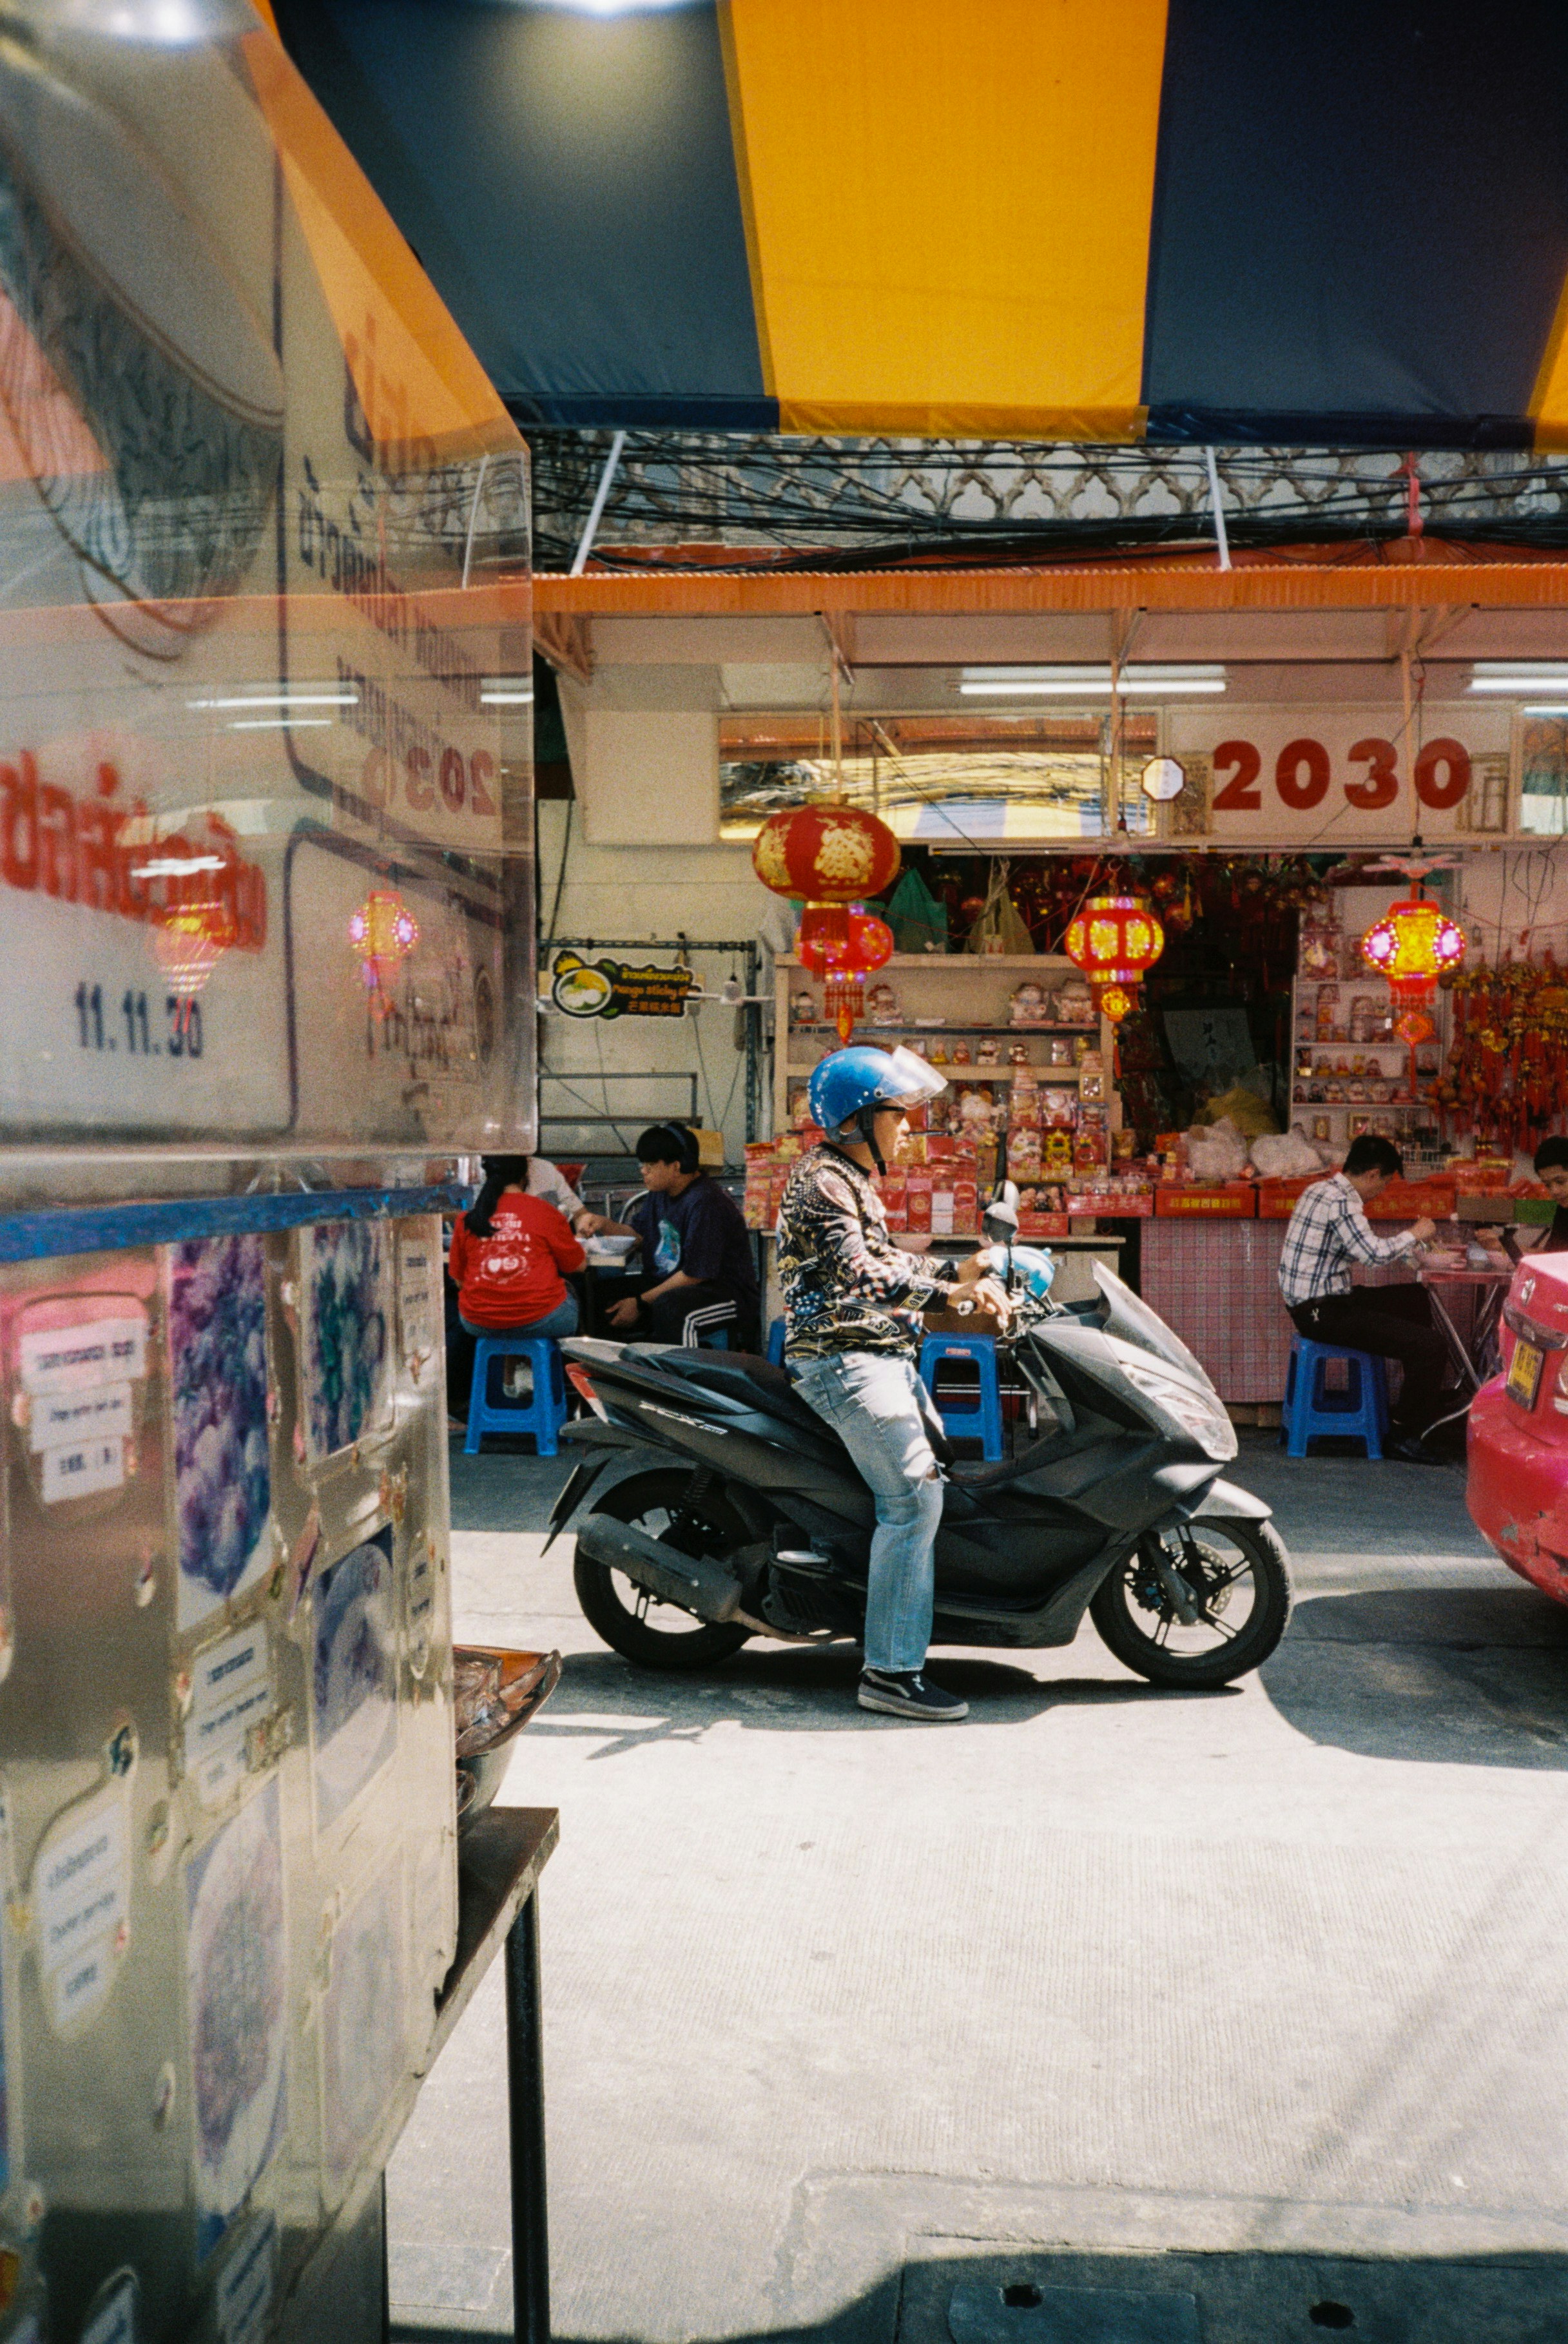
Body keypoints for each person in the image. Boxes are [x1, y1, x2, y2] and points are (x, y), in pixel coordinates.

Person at [778, 1046, 1012, 1723]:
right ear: (857, 1119)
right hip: (844, 1360)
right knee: (912, 1501)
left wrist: (963, 1273)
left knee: (939, 1478)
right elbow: (861, 1276)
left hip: (880, 1353)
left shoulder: (848, 1178)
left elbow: (884, 1258)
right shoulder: (823, 1181)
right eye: (897, 1114)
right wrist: (951, 1295)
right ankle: (890, 1670)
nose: (908, 1127)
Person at [1277, 1134, 1447, 1462]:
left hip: (1318, 1302)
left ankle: (1411, 1402)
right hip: (1322, 1313)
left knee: (1415, 1298)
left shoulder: (1320, 1189)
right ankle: (1406, 1434)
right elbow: (1371, 1255)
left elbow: (1356, 1246)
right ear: (1373, 1175)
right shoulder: (1344, 1201)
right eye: (1383, 1184)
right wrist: (1414, 1234)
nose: (1379, 1193)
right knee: (1432, 1347)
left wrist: (1407, 1248)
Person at [602, 1125, 760, 1350]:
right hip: (673, 1283)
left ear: (675, 1166)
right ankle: (620, 1375)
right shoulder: (659, 1194)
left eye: (650, 1165)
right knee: (603, 1294)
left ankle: (679, 1382)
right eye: (642, 1165)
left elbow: (695, 1274)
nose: (643, 1171)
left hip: (726, 1294)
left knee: (673, 1309)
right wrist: (602, 1224)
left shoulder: (706, 1202)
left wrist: (640, 1302)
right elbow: (639, 1236)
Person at [447, 1154, 586, 1350]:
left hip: (478, 1322)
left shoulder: (468, 1217)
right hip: (542, 1320)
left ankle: (509, 1376)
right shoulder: (545, 1211)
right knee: (571, 1293)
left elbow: (459, 1281)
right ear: (526, 1174)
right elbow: (578, 1266)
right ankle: (553, 1374)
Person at [1484, 1136, 1568, 1259]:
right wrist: (1502, 1246)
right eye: (1548, 1185)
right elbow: (1552, 1256)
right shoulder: (1564, 1209)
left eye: (1560, 1182)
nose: (1554, 1191)